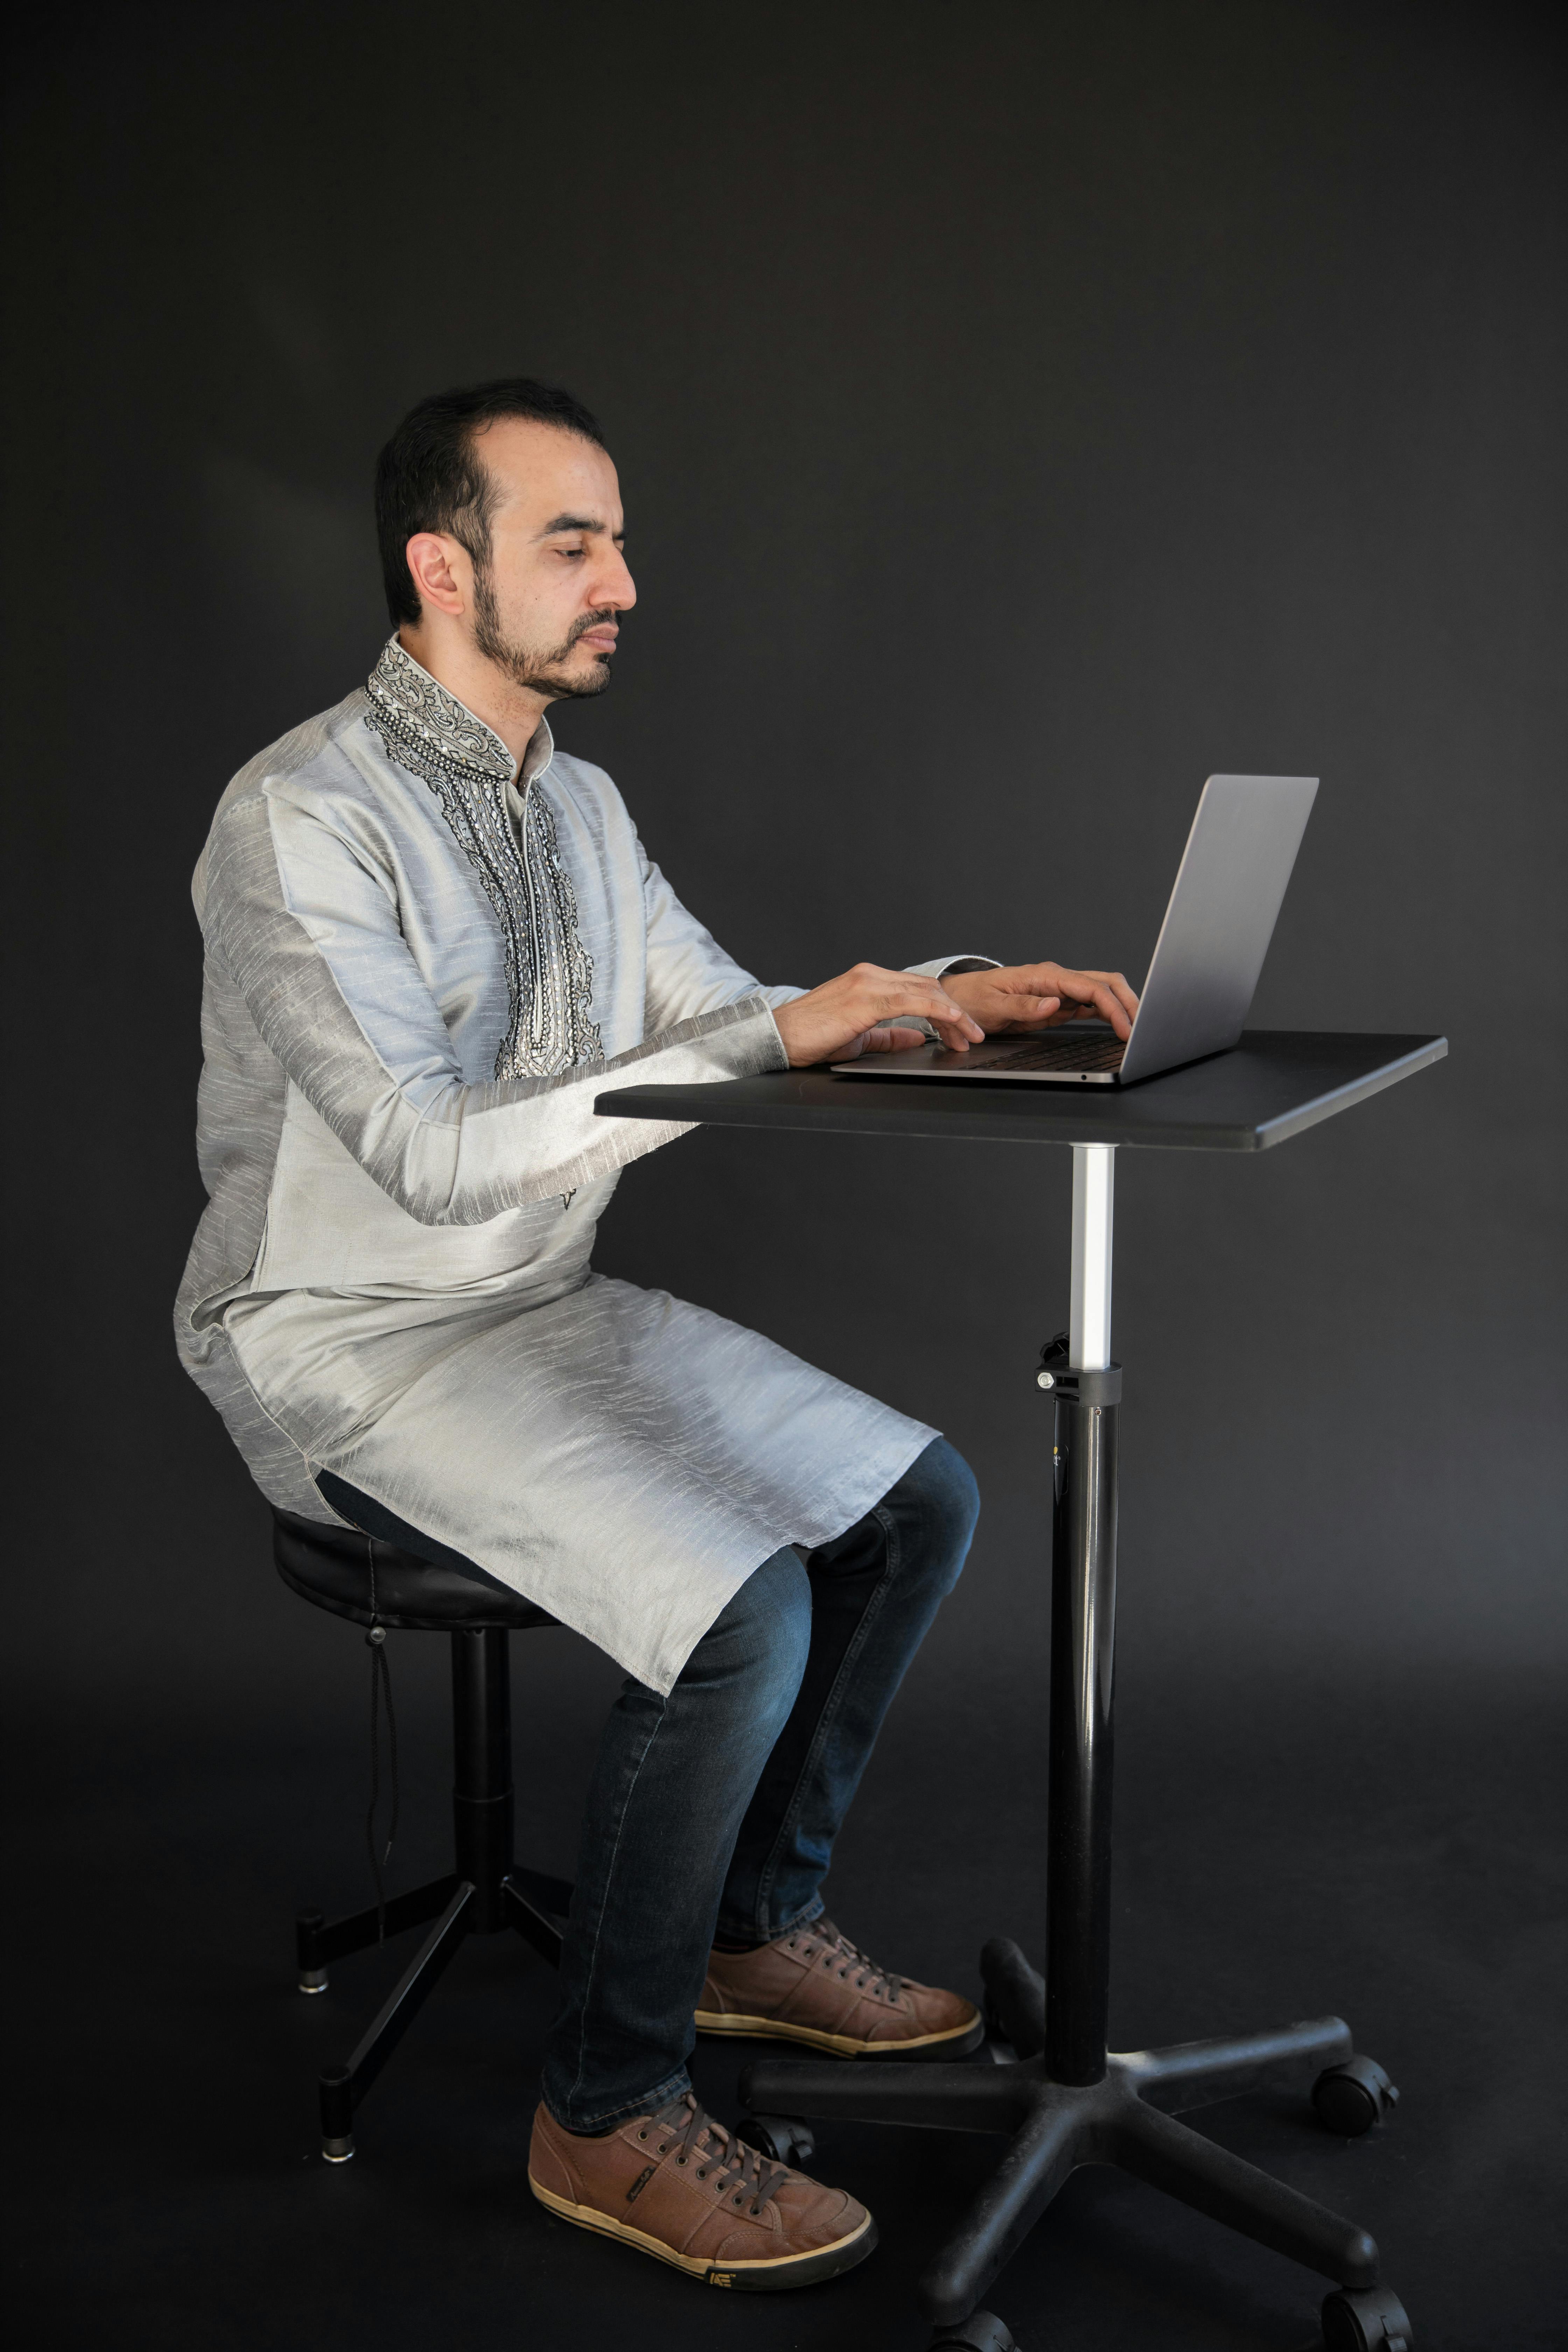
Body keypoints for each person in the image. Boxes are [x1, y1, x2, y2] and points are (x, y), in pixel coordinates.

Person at [175, 377, 1137, 2291]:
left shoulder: (584, 805)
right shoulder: (299, 820)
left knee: (916, 1503)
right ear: (441, 569)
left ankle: (749, 1934)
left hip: (534, 1307)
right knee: (741, 1614)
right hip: (347, 1339)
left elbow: (732, 1008)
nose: (626, 577)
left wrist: (955, 995)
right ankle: (606, 2110)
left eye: (617, 536)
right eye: (574, 541)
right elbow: (433, 1159)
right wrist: (772, 1035)